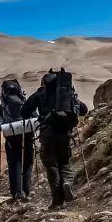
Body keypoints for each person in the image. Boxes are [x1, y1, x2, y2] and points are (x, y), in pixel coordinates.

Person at [21, 70, 88, 210]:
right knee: (64, 162)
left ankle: (57, 201)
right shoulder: (67, 94)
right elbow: (83, 110)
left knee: (51, 165)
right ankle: (67, 182)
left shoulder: (41, 93)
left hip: (48, 133)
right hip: (65, 134)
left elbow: (24, 111)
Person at [0, 79, 37, 202]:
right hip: (28, 136)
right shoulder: (24, 101)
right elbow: (35, 117)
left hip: (11, 138)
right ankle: (26, 192)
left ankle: (17, 194)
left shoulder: (3, 105)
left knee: (15, 164)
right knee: (28, 163)